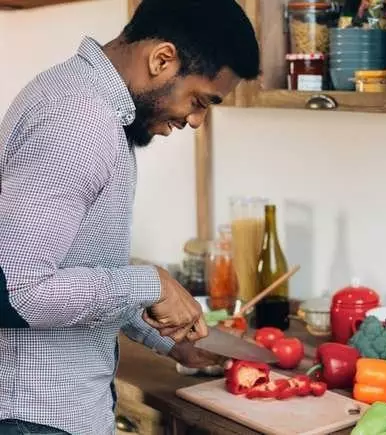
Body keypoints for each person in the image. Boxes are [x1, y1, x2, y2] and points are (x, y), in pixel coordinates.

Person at [0, 0, 260, 433]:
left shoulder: (79, 97)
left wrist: (168, 342)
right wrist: (149, 282)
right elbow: (17, 291)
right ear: (162, 59)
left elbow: (75, 269)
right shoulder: (79, 120)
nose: (195, 120)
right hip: (37, 418)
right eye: (199, 100)